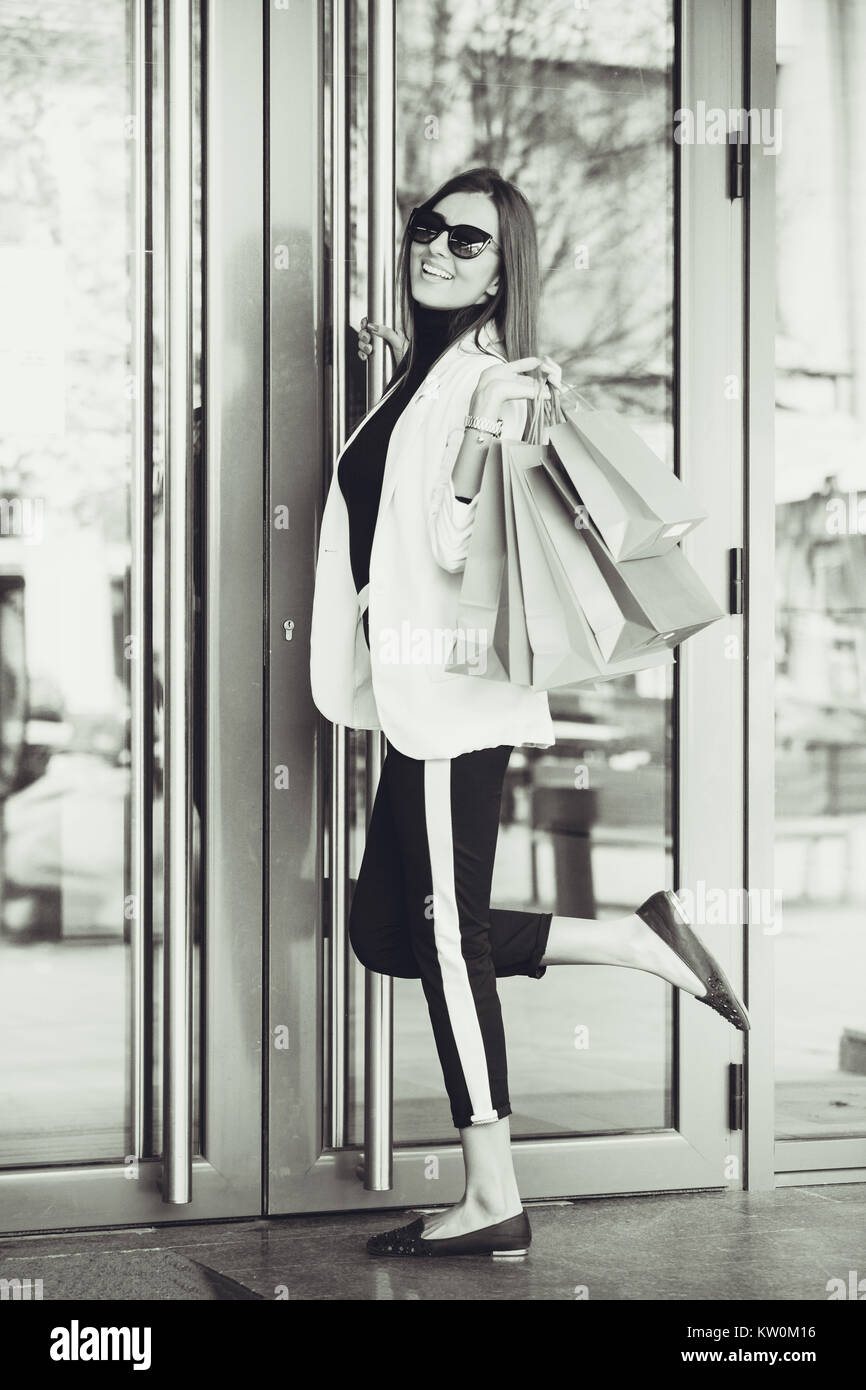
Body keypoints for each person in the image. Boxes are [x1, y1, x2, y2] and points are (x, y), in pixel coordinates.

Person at [309, 166, 749, 1259]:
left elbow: (459, 552)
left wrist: (478, 429)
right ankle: (638, 942)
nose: (437, 251)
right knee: (382, 930)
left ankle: (491, 1192)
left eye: (466, 243)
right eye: (426, 231)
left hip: (457, 696)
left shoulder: (494, 382)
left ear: (504, 271)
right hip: (410, 694)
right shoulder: (419, 379)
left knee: (447, 938)